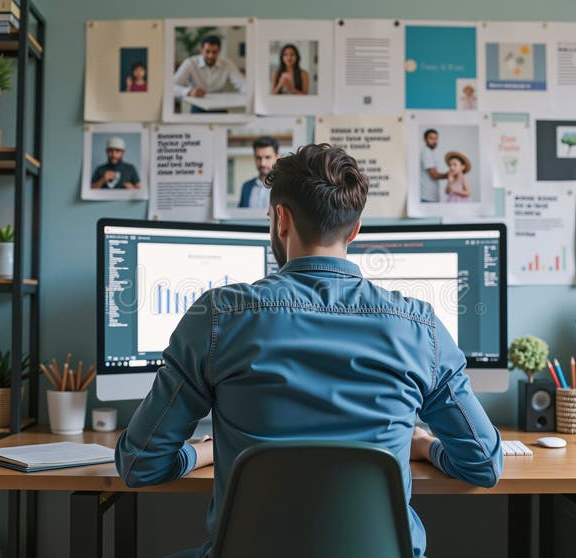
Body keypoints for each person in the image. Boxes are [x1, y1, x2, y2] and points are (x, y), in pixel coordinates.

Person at [115, 143, 502, 558]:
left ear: (281, 219)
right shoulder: (419, 326)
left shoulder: (217, 317)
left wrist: (209, 451)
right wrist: (421, 444)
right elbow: (482, 463)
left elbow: (141, 464)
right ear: (354, 230)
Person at [172, 35, 247, 113]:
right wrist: (189, 91)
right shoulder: (190, 63)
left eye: (214, 52)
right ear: (201, 50)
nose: (210, 56)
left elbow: (242, 84)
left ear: (219, 51)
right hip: (198, 106)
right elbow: (171, 87)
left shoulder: (228, 64)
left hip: (220, 106)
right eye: (207, 51)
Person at [237, 136, 279, 209]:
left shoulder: (284, 186)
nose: (263, 163)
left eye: (267, 157)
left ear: (277, 158)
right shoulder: (246, 187)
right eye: (258, 158)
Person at [419, 129, 446, 203]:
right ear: (425, 139)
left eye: (436, 138)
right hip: (427, 197)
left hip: (432, 196)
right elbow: (434, 175)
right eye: (431, 138)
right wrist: (450, 174)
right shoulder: (426, 152)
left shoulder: (431, 153)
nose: (434, 141)